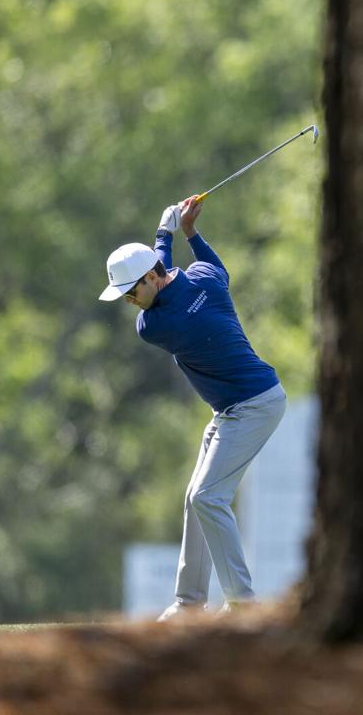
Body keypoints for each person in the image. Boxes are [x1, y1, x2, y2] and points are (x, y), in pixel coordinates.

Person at [99, 196, 287, 620]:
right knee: (195, 497)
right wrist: (188, 234)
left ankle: (241, 603)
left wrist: (164, 232)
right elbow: (205, 266)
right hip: (234, 408)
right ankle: (189, 604)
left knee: (209, 496)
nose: (130, 303)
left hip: (255, 405)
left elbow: (163, 269)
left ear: (150, 278)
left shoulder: (156, 326)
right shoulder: (206, 279)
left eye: (131, 293)